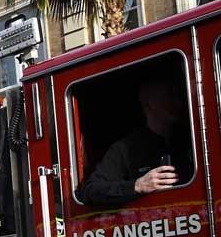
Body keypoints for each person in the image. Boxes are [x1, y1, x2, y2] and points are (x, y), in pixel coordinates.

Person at [78, 77, 193, 207]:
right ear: (149, 103)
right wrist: (137, 185)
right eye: (169, 95)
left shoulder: (191, 140)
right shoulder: (125, 149)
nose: (178, 102)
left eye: (179, 96)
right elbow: (91, 191)